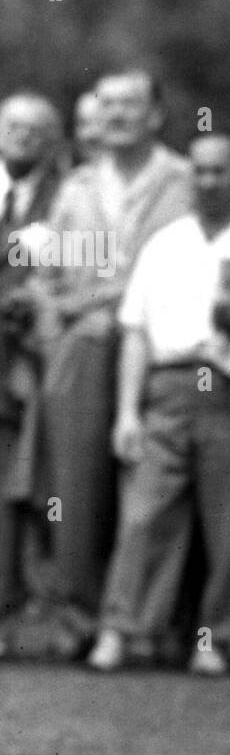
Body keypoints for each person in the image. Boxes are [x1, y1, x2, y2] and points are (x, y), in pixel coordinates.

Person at [86, 131, 230, 675]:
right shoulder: (166, 242)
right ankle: (121, 630)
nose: (209, 181)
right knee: (145, 516)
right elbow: (135, 330)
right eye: (200, 171)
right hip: (169, 388)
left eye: (220, 171)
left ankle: (215, 638)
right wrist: (127, 412)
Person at [38, 70, 192, 649]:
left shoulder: (183, 180)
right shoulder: (76, 188)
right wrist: (66, 322)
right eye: (107, 106)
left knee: (153, 497)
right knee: (76, 491)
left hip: (161, 355)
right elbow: (45, 280)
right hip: (81, 357)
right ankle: (79, 619)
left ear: (156, 114)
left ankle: (152, 625)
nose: (117, 116)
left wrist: (111, 299)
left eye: (130, 105)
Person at [0, 93, 65, 642]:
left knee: (34, 487)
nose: (23, 136)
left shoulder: (64, 194)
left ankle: (35, 607)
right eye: (13, 126)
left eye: (35, 129)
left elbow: (83, 260)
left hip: (38, 361)